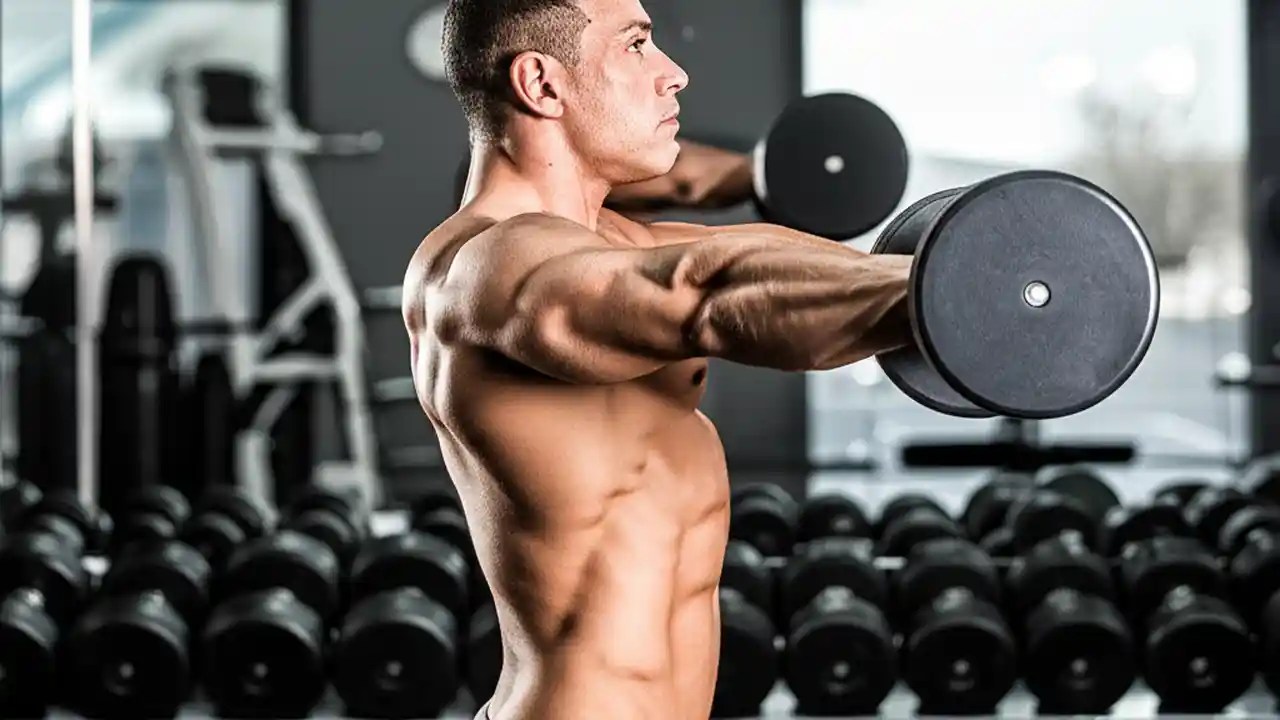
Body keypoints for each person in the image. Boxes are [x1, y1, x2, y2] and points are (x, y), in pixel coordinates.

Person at [402, 1, 914, 718]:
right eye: (637, 46)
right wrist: (944, 293)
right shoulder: (487, 266)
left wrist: (932, 272)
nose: (674, 73)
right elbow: (703, 292)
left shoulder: (618, 243)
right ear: (542, 85)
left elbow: (758, 251)